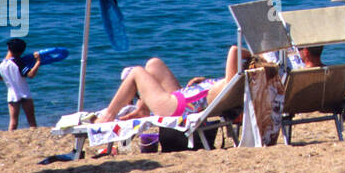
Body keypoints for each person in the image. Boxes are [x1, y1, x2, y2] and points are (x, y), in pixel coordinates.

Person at [90, 47, 240, 122]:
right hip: (183, 100)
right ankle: (143, 109)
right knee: (154, 64)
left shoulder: (232, 82)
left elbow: (234, 50)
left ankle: (108, 116)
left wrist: (251, 54)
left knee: (136, 72)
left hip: (175, 108)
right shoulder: (236, 82)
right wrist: (201, 85)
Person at [0, 37, 39, 130]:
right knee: (31, 120)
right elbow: (31, 74)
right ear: (21, 51)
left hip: (12, 94)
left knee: (13, 122)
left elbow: (1, 78)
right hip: (24, 93)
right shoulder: (18, 62)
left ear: (8, 48)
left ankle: (10, 136)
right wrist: (38, 62)